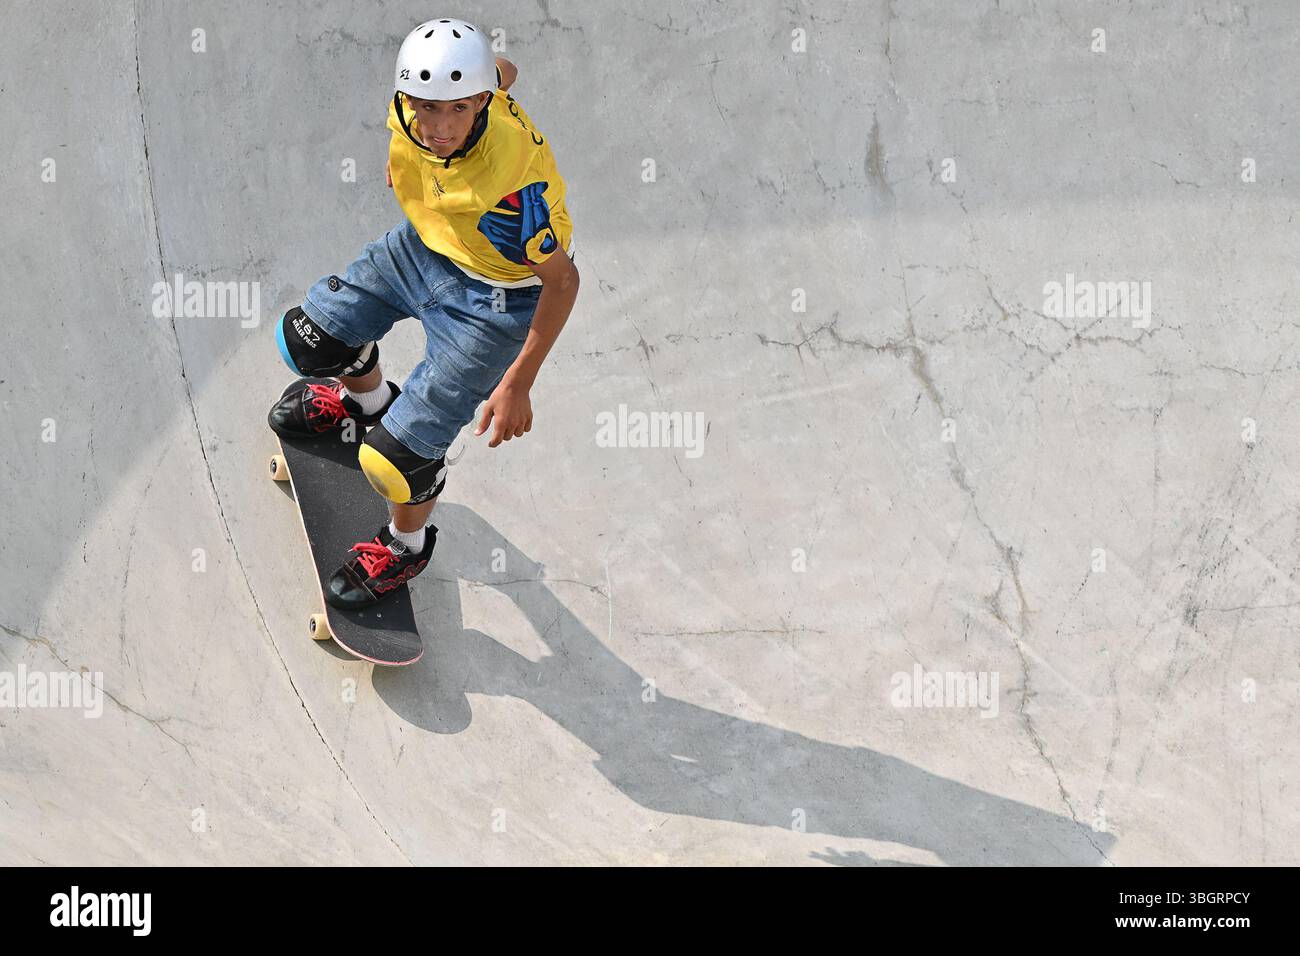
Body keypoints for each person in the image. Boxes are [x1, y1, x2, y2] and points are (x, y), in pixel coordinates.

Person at [268, 17, 579, 609]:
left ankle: (405, 548)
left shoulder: (513, 197)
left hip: (496, 303)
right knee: (307, 342)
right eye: (426, 108)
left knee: (394, 463)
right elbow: (505, 73)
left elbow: (562, 282)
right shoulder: (419, 111)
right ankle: (365, 402)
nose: (439, 129)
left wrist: (519, 384)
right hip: (423, 248)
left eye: (458, 111)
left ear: (480, 101)